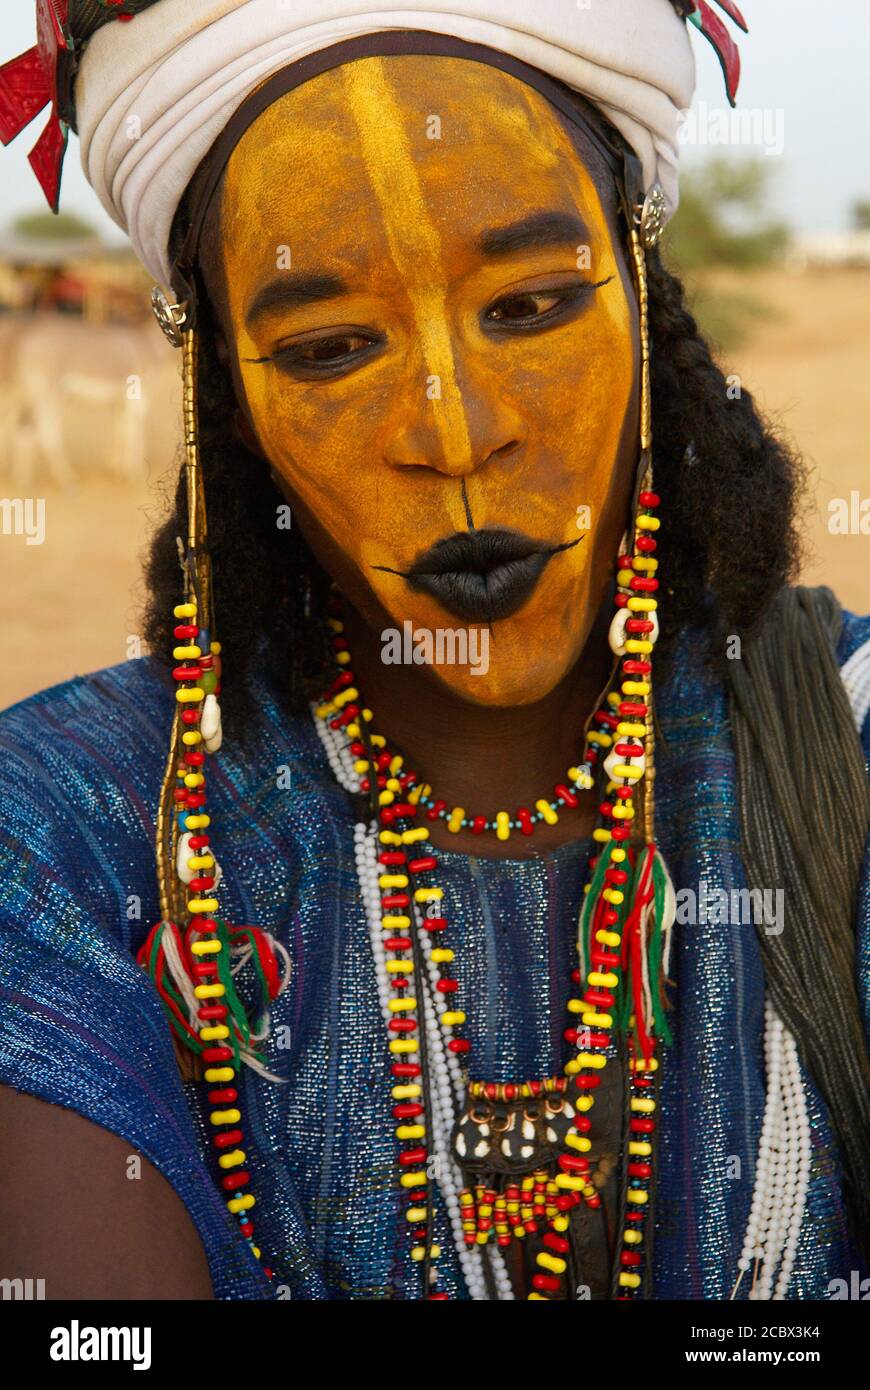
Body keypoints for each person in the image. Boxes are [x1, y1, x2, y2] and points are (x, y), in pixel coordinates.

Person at [0, 0, 868, 1302]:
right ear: (222, 388)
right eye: (329, 347)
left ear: (641, 293)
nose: (454, 431)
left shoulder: (842, 743)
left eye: (529, 304)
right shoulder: (69, 834)